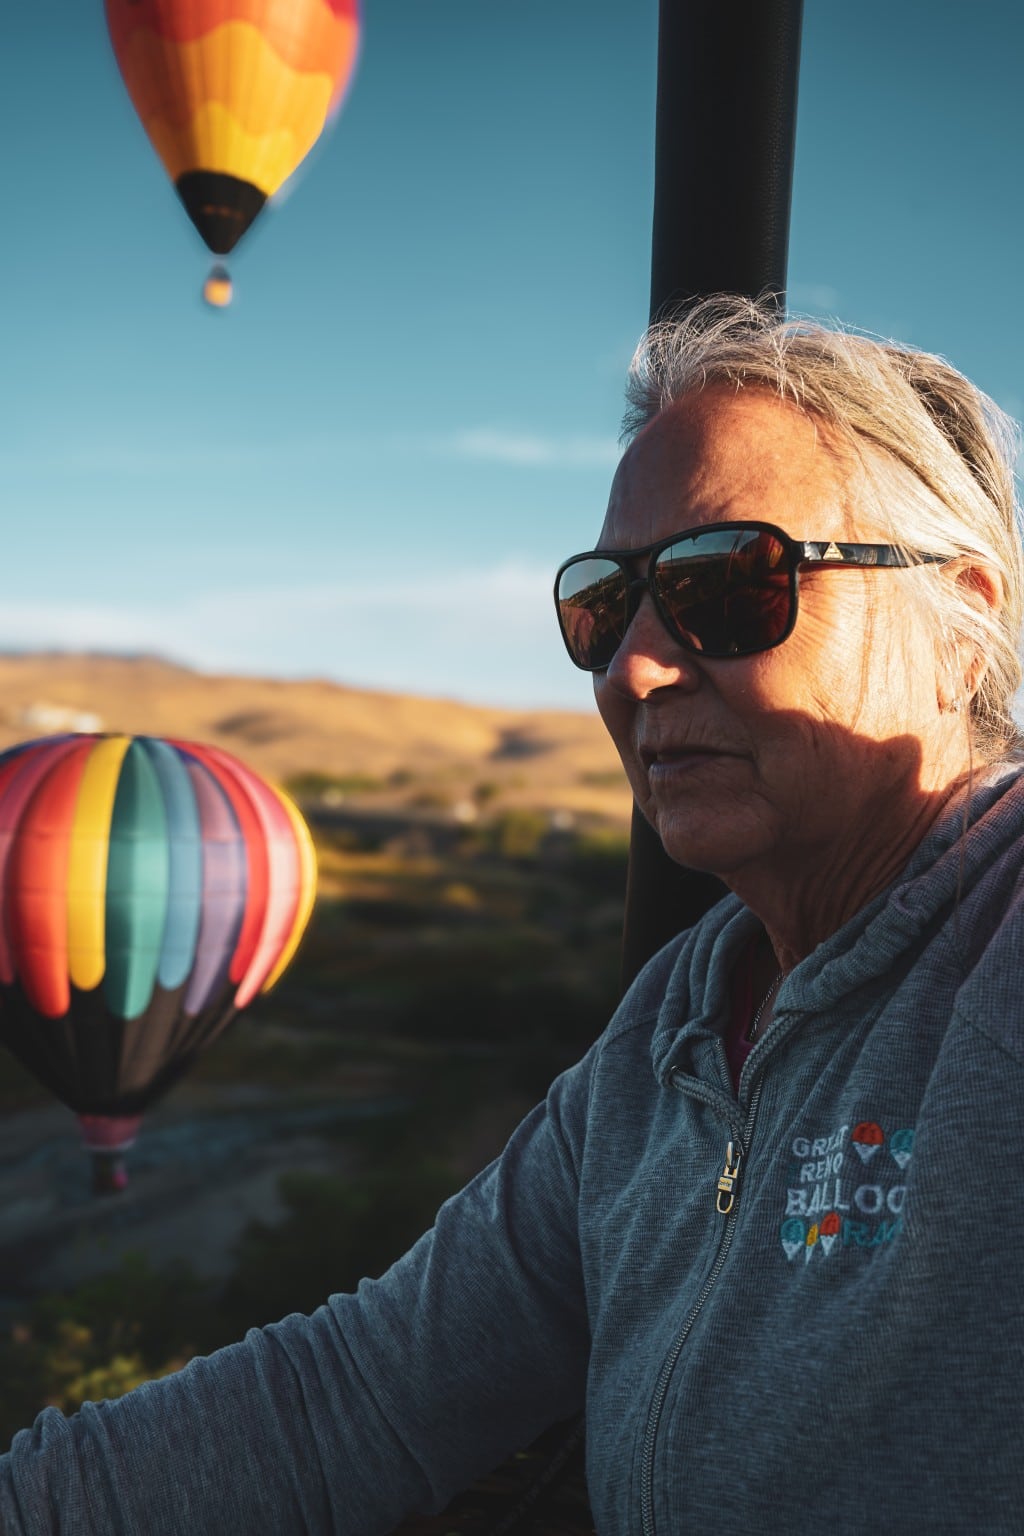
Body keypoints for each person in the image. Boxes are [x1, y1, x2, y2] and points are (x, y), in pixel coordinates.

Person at [4, 296, 1024, 1533]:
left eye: (726, 582)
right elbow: (365, 1396)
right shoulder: (670, 1039)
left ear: (963, 627)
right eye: (603, 603)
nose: (634, 667)